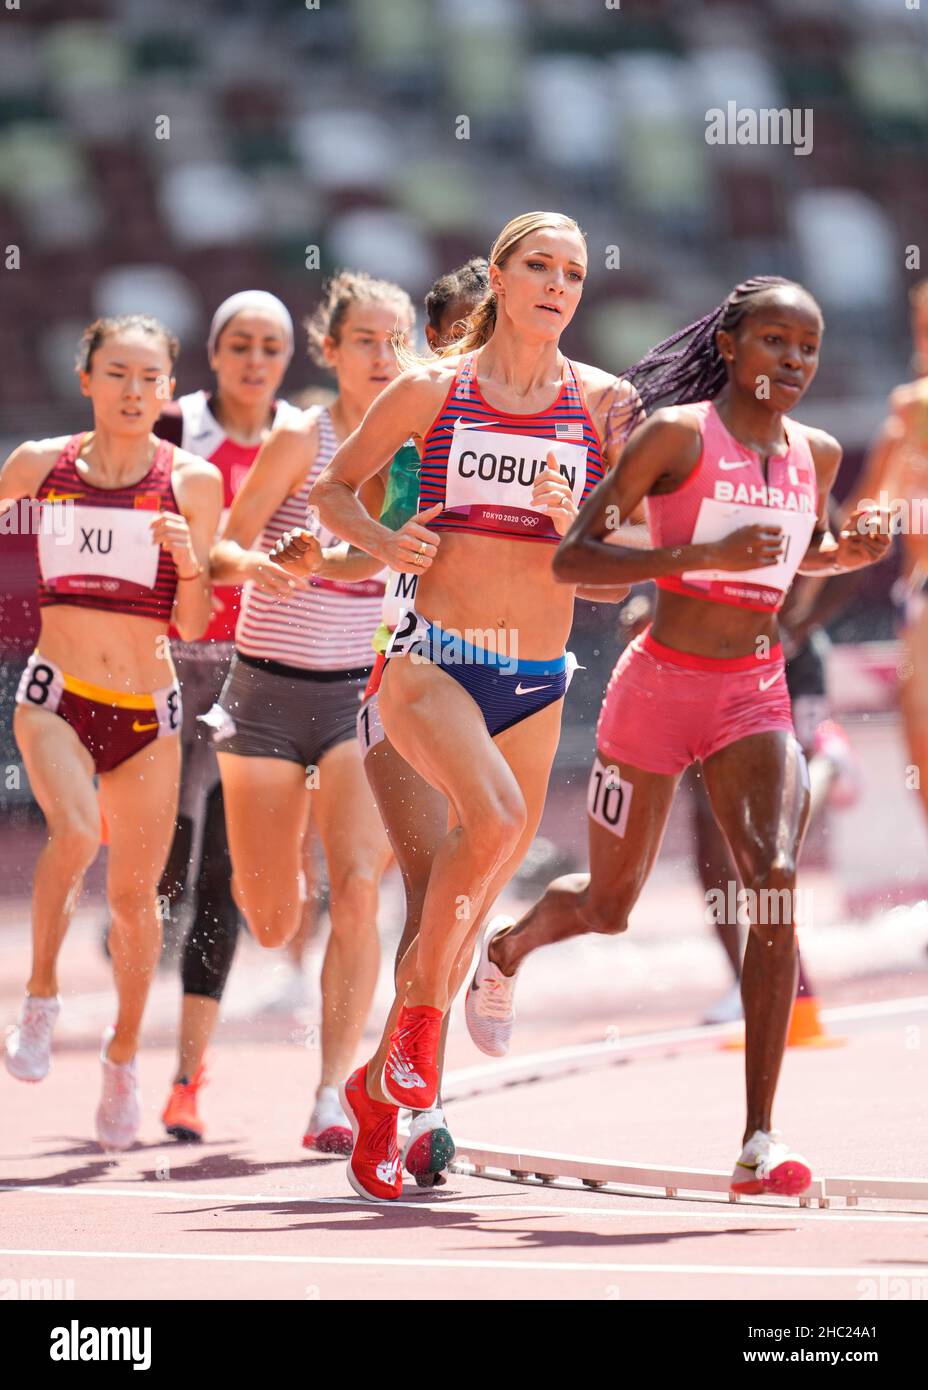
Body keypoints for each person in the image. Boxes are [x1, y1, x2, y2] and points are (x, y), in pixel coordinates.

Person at [465, 276, 890, 1197]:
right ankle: (506, 949)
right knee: (611, 906)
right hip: (657, 689)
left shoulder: (813, 453)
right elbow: (576, 558)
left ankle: (758, 1139)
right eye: (775, 342)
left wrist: (840, 551)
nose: (793, 362)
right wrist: (694, 558)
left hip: (753, 691)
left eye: (807, 349)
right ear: (730, 346)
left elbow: (790, 545)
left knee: (771, 881)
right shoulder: (675, 436)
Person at [310, 211, 636, 1201]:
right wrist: (381, 540)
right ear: (498, 276)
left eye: (573, 272)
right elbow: (332, 494)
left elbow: (620, 582)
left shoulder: (608, 405)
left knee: (465, 900)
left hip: (535, 675)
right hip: (429, 660)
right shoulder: (430, 390)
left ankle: (381, 1089)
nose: (555, 285)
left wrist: (570, 526)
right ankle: (413, 1043)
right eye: (537, 265)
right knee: (492, 822)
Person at [278, 258, 491, 1185]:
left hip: (509, 677)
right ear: (434, 346)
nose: (488, 346)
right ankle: (415, 1102)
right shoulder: (416, 437)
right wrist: (320, 557)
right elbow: (366, 554)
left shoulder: (555, 427)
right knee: (428, 893)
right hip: (410, 676)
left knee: (468, 903)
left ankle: (396, 1085)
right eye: (466, 331)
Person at [1, 314, 222, 1149]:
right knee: (74, 829)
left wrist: (190, 559)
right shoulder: (35, 466)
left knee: (135, 901)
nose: (133, 392)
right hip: (56, 694)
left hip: (147, 713)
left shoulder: (191, 483)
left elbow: (196, 621)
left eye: (149, 378)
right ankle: (40, 996)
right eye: (117, 374)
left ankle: (124, 1058)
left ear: (167, 390)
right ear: (86, 377)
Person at [209, 270, 415, 1153]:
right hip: (263, 691)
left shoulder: (417, 445)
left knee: (360, 885)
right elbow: (222, 547)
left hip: (352, 696)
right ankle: (278, 917)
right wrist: (271, 566)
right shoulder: (304, 436)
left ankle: (333, 1092)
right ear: (330, 351)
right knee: (273, 916)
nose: (381, 357)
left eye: (395, 340)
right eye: (363, 340)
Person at [154, 291, 303, 1142]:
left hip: (257, 677)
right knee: (166, 879)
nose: (254, 360)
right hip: (173, 667)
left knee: (224, 885)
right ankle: (134, 916)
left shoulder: (303, 439)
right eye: (240, 345)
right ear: (215, 354)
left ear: (287, 360)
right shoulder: (173, 428)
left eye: (271, 348)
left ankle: (186, 1078)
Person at [851, 277, 928, 833]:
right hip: (918, 603)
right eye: (921, 327)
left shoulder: (912, 408)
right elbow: (867, 512)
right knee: (920, 746)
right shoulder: (906, 420)